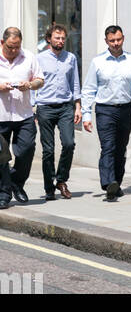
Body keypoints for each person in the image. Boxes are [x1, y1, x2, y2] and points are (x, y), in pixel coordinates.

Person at [81, 25, 131, 202]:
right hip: (105, 110)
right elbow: (88, 89)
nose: (115, 43)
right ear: (106, 41)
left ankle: (116, 184)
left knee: (121, 149)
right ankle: (108, 183)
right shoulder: (98, 62)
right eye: (112, 40)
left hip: (126, 109)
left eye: (118, 40)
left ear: (123, 38)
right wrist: (86, 115)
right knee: (108, 147)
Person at [34, 23, 81, 200]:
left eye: (63, 38)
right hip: (45, 107)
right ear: (49, 39)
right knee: (48, 150)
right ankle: (49, 187)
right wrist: (33, 108)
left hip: (65, 107)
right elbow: (33, 84)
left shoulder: (71, 58)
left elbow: (75, 83)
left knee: (69, 143)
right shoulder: (39, 59)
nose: (61, 41)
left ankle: (61, 180)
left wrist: (78, 106)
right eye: (57, 38)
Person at [0, 26, 43, 207]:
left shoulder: (29, 57)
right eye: (10, 47)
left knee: (26, 151)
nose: (14, 51)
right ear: (2, 43)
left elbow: (40, 80)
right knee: (1, 156)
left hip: (23, 114)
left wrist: (30, 85)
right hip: (1, 115)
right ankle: (3, 194)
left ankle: (16, 184)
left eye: (17, 47)